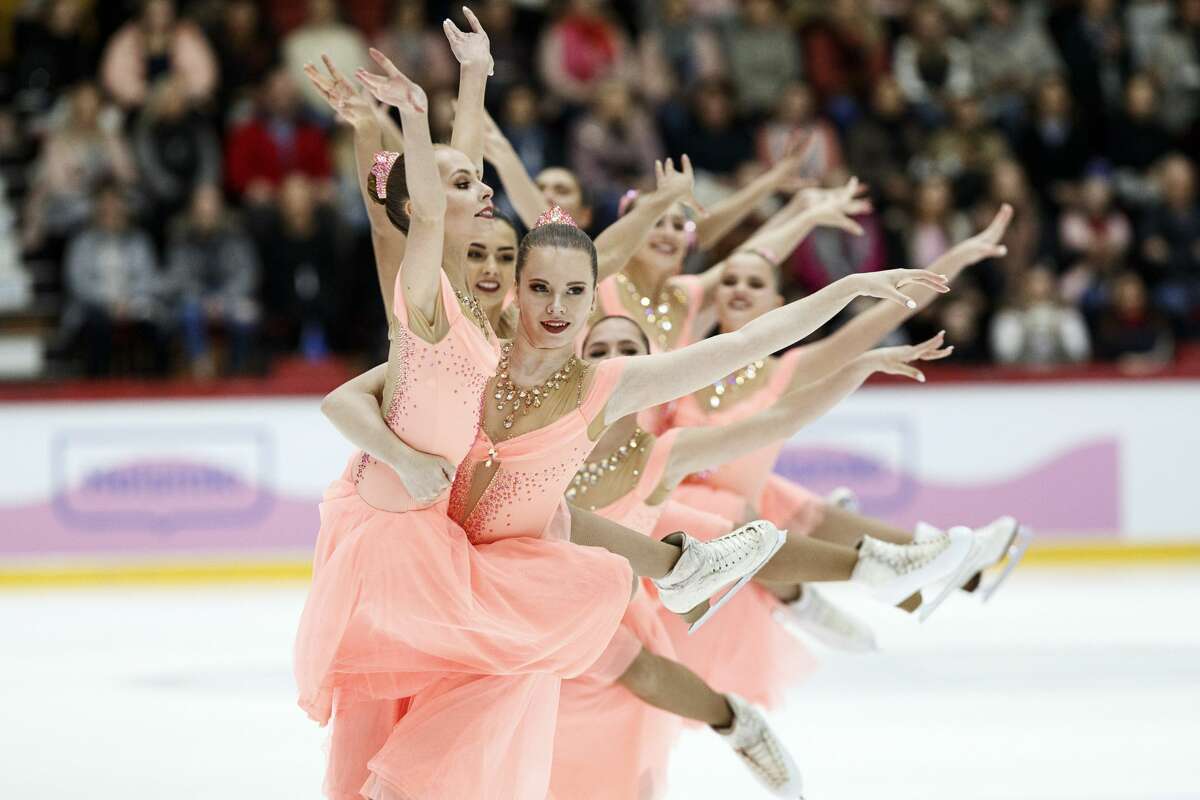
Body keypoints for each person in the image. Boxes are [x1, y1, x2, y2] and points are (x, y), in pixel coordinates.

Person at [61, 184, 167, 376]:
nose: (111, 214)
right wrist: (110, 304)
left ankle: (155, 386)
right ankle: (97, 385)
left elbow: (148, 278)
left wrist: (129, 302)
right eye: (106, 209)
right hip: (94, 308)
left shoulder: (139, 242)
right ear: (97, 211)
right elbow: (79, 284)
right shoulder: (82, 243)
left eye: (116, 209)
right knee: (98, 326)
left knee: (159, 325)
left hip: (134, 306)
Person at [166, 185, 260, 377]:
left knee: (245, 315)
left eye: (211, 206)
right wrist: (204, 301)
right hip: (193, 299)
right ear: (193, 210)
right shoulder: (181, 237)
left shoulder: (235, 235)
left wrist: (222, 299)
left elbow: (247, 273)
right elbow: (178, 277)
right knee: (188, 312)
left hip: (230, 298)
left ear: (220, 209)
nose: (206, 212)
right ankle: (201, 365)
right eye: (202, 207)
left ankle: (237, 369)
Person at [100, 0, 217, 111]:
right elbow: (115, 79)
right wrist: (149, 97)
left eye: (163, 7)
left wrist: (181, 92)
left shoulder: (187, 35)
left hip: (183, 107)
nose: (159, 12)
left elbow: (205, 76)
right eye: (154, 7)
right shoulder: (128, 38)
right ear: (144, 9)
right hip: (138, 109)